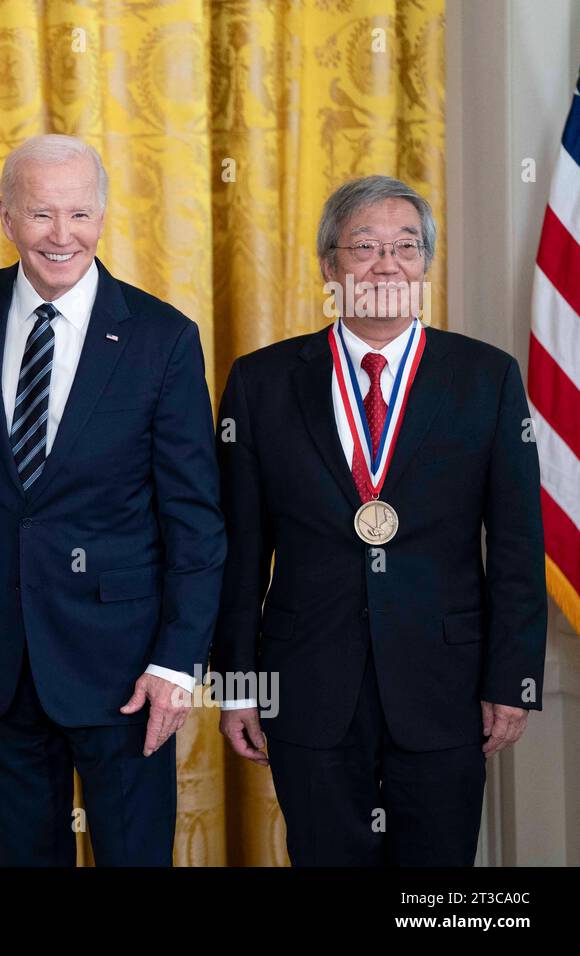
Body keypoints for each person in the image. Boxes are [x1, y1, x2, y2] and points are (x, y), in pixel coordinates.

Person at [212, 175, 547, 865]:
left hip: (446, 685)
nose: (386, 263)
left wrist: (512, 678)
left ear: (425, 263)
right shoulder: (262, 381)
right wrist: (237, 684)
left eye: (405, 247)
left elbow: (517, 544)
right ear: (330, 266)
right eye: (364, 246)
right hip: (307, 685)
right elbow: (240, 554)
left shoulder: (485, 377)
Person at [0, 135, 226, 865]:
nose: (62, 235)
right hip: (0, 663)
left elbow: (195, 520)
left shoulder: (162, 338)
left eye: (80, 214)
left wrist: (177, 664)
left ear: (103, 215)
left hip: (126, 672)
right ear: (5, 218)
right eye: (41, 214)